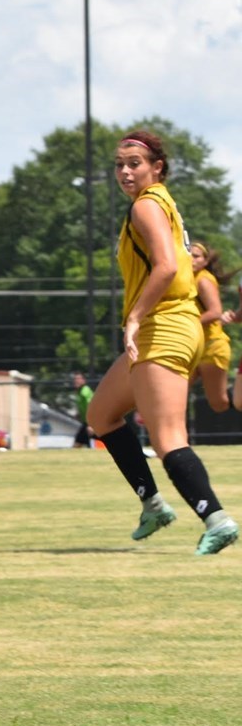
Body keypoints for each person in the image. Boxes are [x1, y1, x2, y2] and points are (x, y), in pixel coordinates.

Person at [82, 130, 238, 555]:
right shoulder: (161, 202)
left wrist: (134, 316)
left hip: (164, 327)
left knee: (168, 435)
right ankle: (152, 504)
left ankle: (216, 518)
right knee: (101, 413)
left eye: (134, 163)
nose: (125, 170)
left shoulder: (146, 206)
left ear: (157, 168)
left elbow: (167, 268)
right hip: (170, 327)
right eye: (119, 164)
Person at [188, 241, 236, 413]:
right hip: (192, 347)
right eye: (188, 254)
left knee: (219, 404)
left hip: (211, 347)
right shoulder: (184, 278)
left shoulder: (204, 280)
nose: (190, 259)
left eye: (196, 256)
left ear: (205, 261)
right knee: (173, 391)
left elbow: (215, 312)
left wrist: (186, 324)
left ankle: (238, 396)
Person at [70, 371, 96, 448]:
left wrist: (91, 424)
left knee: (78, 444)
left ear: (83, 381)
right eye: (75, 379)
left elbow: (92, 406)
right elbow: (83, 407)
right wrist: (78, 414)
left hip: (93, 422)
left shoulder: (85, 391)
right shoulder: (79, 392)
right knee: (78, 444)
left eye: (78, 379)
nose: (76, 381)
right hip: (86, 422)